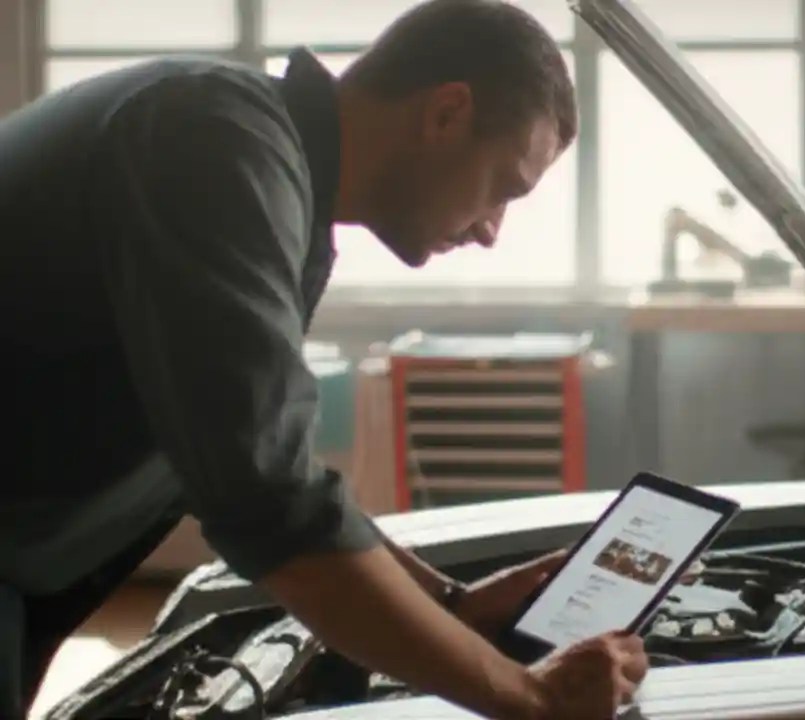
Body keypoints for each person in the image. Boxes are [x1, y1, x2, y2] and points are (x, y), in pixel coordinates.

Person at [0, 0, 648, 717]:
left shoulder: (249, 150)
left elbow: (248, 455)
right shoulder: (213, 141)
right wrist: (532, 699)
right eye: (506, 186)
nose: (494, 230)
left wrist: (451, 604)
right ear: (446, 113)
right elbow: (269, 501)